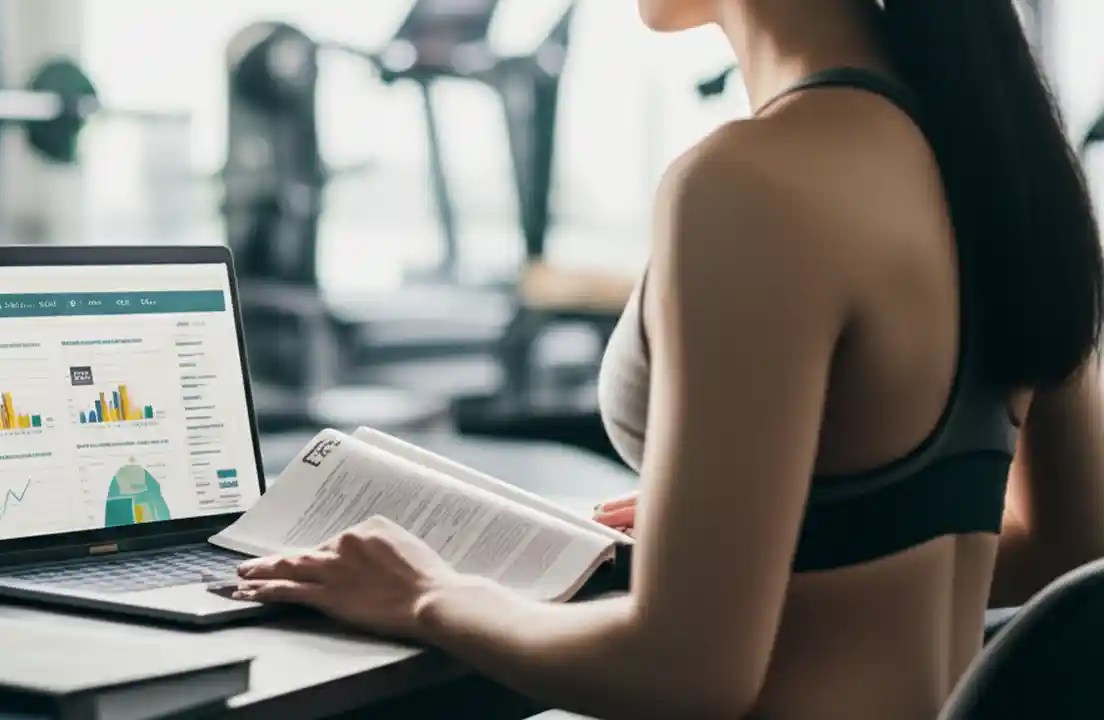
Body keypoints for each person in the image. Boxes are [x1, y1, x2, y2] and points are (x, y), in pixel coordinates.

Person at [233, 0, 1104, 716]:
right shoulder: (995, 159)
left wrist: (430, 595)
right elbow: (1067, 540)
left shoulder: (752, 183)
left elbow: (682, 671)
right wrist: (743, 545)